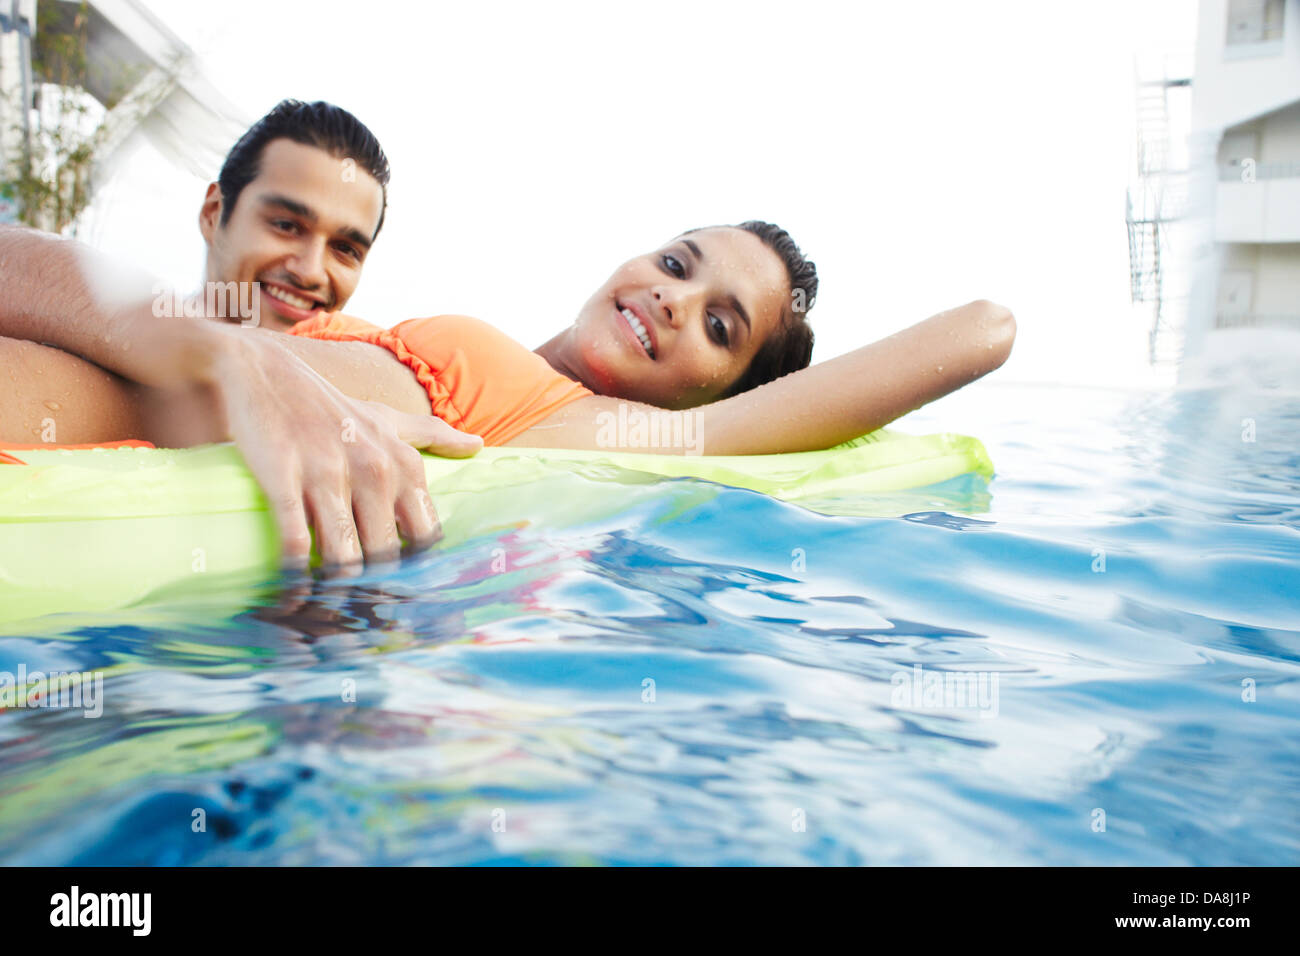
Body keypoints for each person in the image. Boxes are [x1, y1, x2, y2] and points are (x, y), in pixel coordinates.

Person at [4, 215, 1016, 461]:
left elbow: (983, 331)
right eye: (676, 262)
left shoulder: (603, 431)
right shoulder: (495, 354)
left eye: (719, 324)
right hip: (127, 347)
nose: (671, 297)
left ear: (723, 392)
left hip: (95, 408)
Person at [0, 100, 482, 569]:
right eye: (286, 225)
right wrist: (235, 356)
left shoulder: (365, 357)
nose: (310, 270)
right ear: (214, 213)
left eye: (345, 249)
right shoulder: (101, 324)